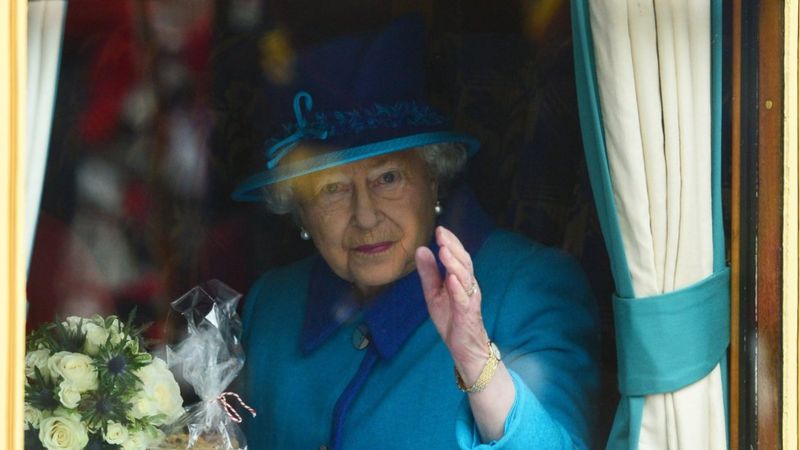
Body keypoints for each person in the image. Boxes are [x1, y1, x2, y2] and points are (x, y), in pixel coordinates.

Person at [234, 16, 599, 450]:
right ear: (299, 211)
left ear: (434, 177)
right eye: (332, 189)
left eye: (388, 178)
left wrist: (478, 365)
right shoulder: (270, 305)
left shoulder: (527, 285)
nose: (366, 217)